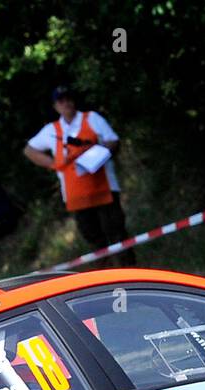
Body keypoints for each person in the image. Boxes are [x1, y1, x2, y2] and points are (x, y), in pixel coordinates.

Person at [23, 85, 134, 267]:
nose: (66, 103)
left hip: (104, 189)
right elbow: (30, 150)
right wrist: (52, 164)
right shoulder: (52, 130)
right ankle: (106, 278)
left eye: (68, 99)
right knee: (93, 238)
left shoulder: (92, 118)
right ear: (55, 106)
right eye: (61, 100)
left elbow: (113, 140)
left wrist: (99, 154)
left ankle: (130, 272)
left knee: (116, 232)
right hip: (76, 196)